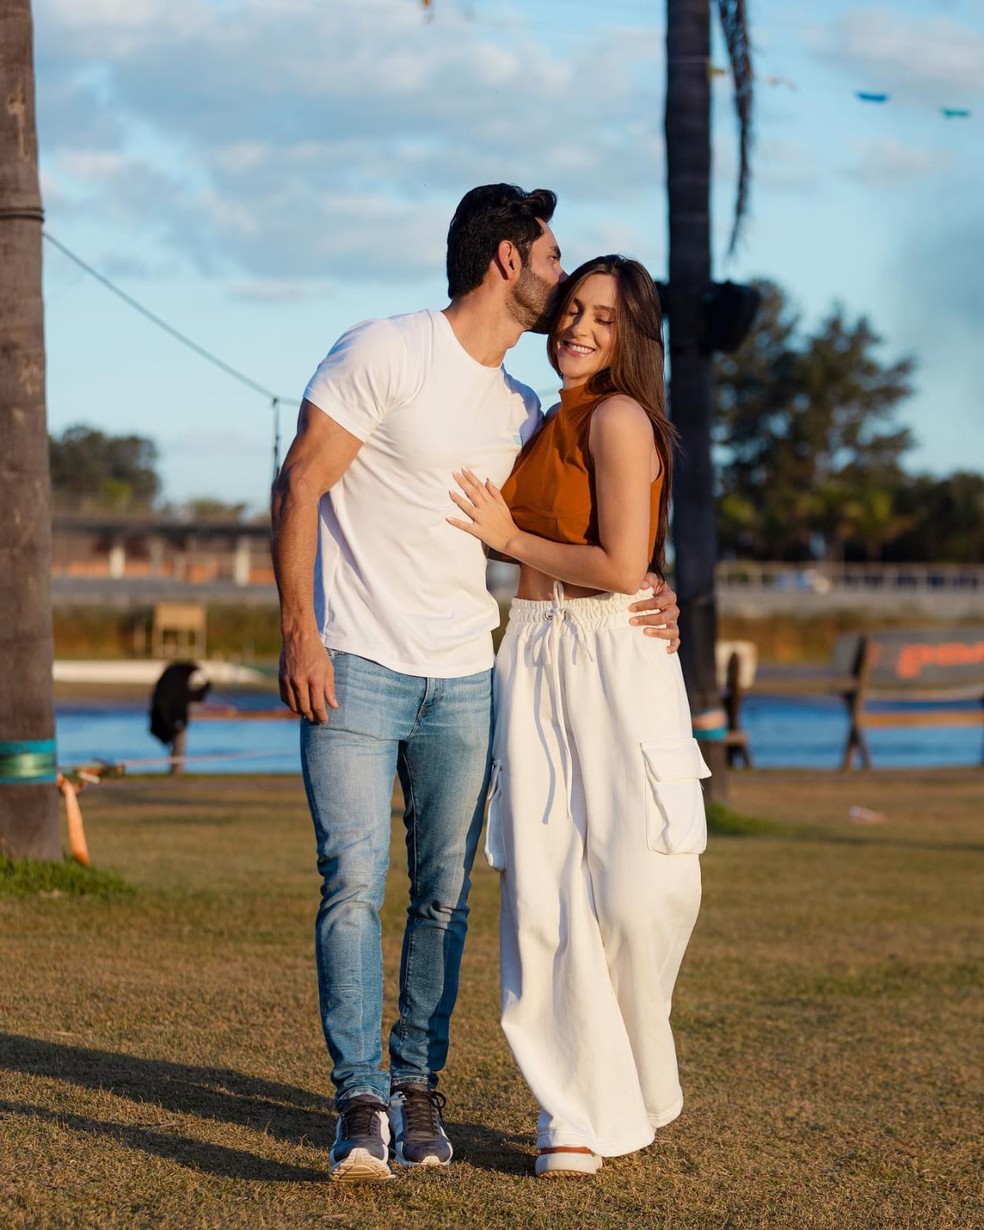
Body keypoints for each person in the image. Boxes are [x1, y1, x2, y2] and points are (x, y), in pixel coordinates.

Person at [272, 189, 681, 1184]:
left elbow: (576, 536)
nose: (564, 287)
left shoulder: (526, 409)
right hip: (356, 662)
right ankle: (360, 1102)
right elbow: (301, 482)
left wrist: (648, 585)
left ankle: (419, 1091)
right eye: (555, 261)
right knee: (351, 884)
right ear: (508, 260)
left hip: (468, 676)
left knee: (446, 900)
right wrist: (300, 633)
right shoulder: (387, 350)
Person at [449, 255, 707, 1178]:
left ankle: (634, 1075)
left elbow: (624, 566)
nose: (578, 327)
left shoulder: (622, 417)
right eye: (572, 309)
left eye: (603, 317)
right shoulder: (533, 418)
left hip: (616, 652)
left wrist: (508, 538)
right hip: (532, 649)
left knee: (642, 891)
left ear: (632, 336)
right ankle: (568, 1111)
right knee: (545, 885)